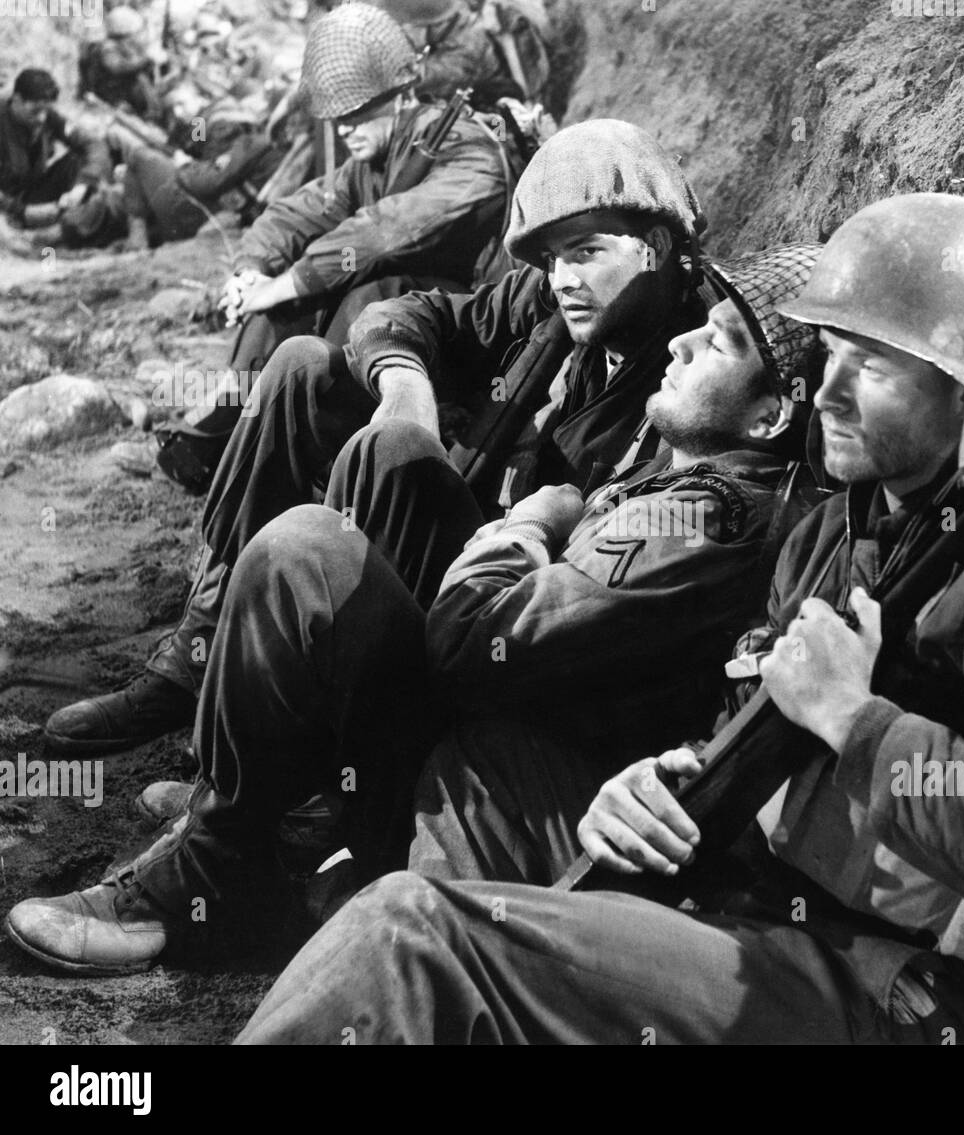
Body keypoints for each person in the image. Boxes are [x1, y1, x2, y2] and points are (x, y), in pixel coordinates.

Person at [221, 193, 964, 1046]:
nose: (829, 391)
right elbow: (747, 736)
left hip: (913, 989)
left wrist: (857, 722)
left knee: (407, 931)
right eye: (830, 356)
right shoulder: (841, 526)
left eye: (869, 368)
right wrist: (659, 783)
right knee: (482, 779)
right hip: (770, 901)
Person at [3, 243, 825, 975]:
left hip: (491, 803)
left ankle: (222, 869)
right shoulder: (687, 450)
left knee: (305, 554)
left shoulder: (710, 514)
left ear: (772, 414)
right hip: (498, 738)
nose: (685, 342)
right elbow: (416, 316)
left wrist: (532, 519)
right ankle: (275, 802)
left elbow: (471, 642)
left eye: (720, 342)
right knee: (384, 458)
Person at [41, 117, 709, 764]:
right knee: (302, 366)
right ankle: (199, 648)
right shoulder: (551, 300)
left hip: (493, 613)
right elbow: (411, 313)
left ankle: (298, 752)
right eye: (554, 258)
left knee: (383, 458)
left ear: (655, 242)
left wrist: (520, 526)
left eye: (588, 251)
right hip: (468, 522)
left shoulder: (696, 381)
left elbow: (597, 595)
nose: (563, 277)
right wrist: (404, 382)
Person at [150, 1, 516, 493]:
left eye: (357, 115)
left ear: (400, 95)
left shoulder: (468, 148)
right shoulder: (370, 161)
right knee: (295, 299)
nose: (344, 129)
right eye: (337, 118)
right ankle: (233, 426)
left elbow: (385, 229)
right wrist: (251, 274)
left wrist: (289, 281)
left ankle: (317, 451)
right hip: (398, 334)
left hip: (468, 337)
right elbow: (289, 214)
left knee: (374, 290)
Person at [117, 85, 285, 251]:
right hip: (221, 200)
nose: (178, 112)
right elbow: (196, 148)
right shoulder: (207, 119)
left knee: (138, 157)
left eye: (181, 104)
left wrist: (186, 163)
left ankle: (138, 239)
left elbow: (210, 173)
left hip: (214, 207)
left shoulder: (222, 124)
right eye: (175, 108)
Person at [0, 69, 113, 234]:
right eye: (35, 112)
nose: (41, 118)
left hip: (33, 190)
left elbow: (93, 144)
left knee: (78, 160)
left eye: (45, 111)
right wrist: (21, 211)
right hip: (8, 205)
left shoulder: (46, 114)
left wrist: (82, 184)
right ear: (16, 100)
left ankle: (75, 221)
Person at [78, 5, 166, 122]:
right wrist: (147, 59)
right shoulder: (107, 48)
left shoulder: (119, 46)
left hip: (118, 96)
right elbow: (118, 67)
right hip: (110, 99)